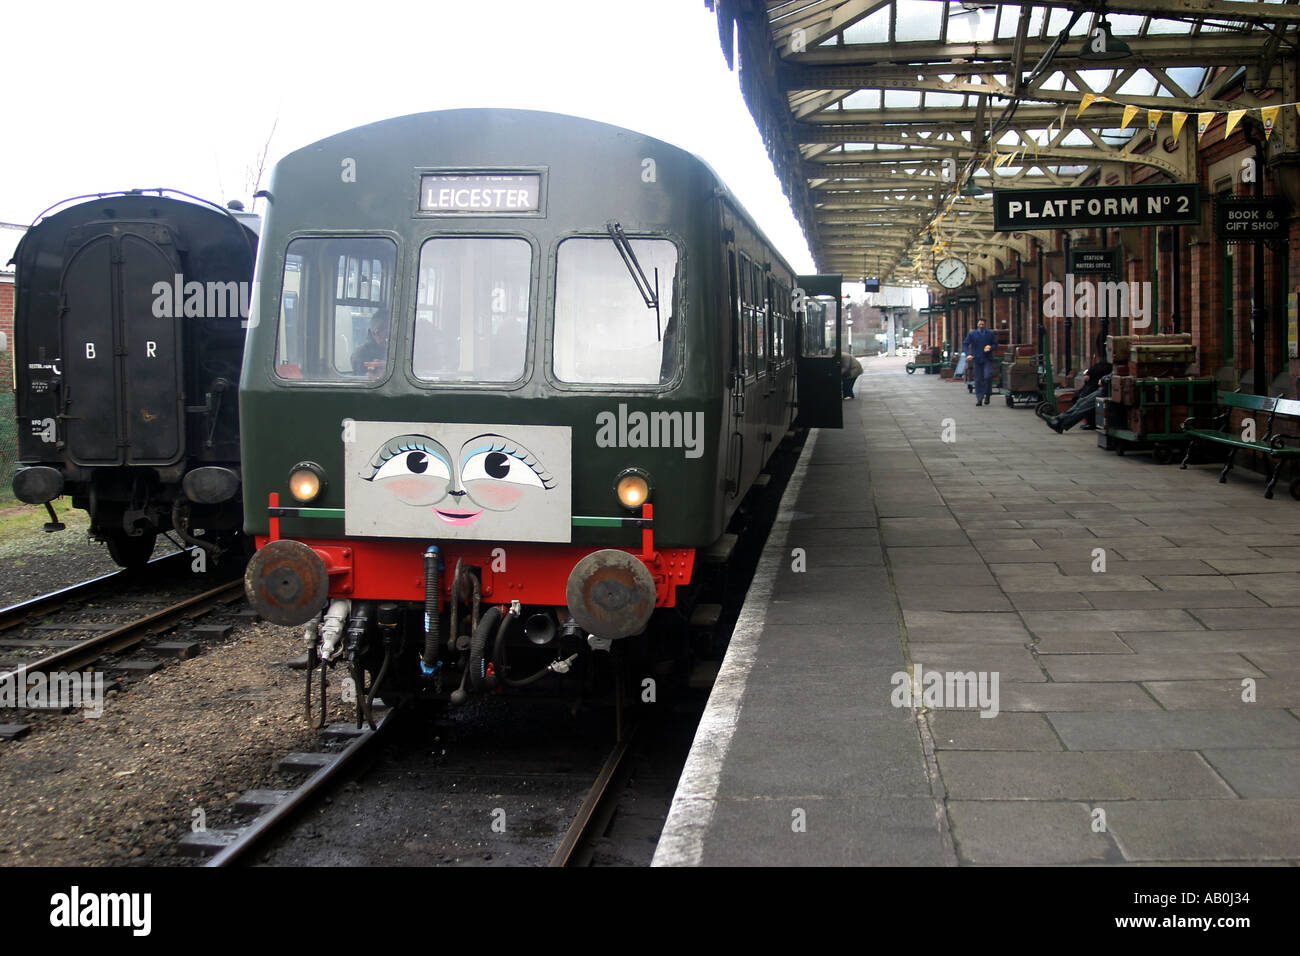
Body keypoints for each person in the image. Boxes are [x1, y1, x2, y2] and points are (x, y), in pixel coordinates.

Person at [1045, 353, 1113, 433]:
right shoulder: (1113, 360)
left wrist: (1103, 379)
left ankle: (1059, 422)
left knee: (1085, 404)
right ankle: (1059, 420)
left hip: (1108, 391)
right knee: (1081, 402)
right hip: (1105, 389)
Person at [961, 319, 999, 406]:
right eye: (980, 324)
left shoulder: (990, 333)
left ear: (985, 325)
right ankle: (979, 398)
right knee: (978, 379)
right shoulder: (972, 334)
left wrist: (990, 347)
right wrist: (968, 354)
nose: (981, 326)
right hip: (977, 359)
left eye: (983, 324)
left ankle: (988, 394)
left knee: (988, 376)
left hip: (987, 359)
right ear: (977, 325)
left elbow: (995, 344)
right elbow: (965, 344)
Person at [351, 308, 390, 377]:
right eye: (388, 334)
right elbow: (362, 381)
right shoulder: (360, 354)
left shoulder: (391, 350)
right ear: (377, 333)